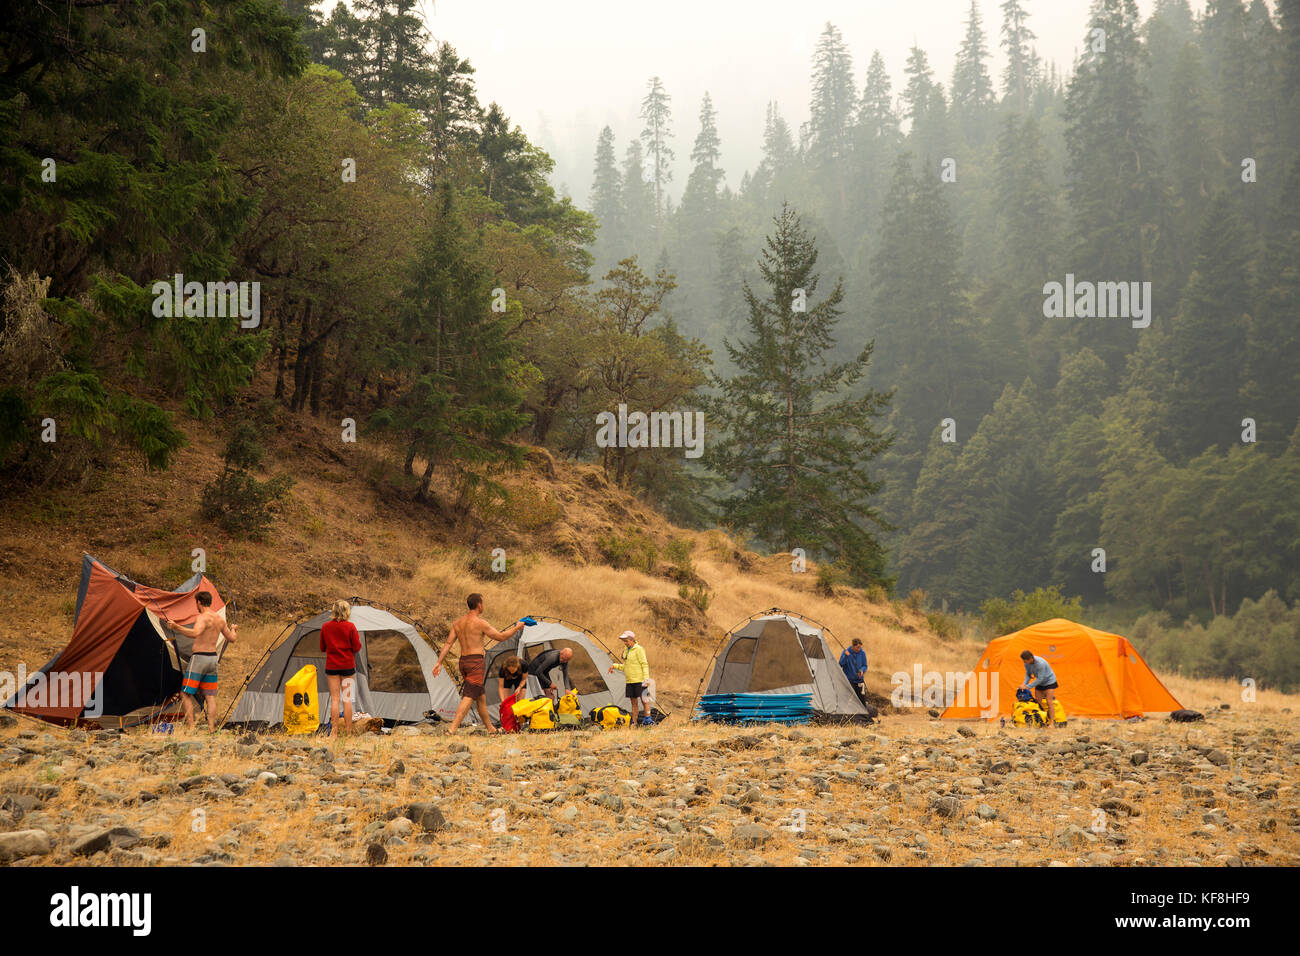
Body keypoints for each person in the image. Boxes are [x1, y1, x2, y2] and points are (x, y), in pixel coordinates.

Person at [433, 593, 526, 733]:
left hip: (463, 662)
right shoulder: (480, 623)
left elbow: (448, 643)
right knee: (469, 696)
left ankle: (491, 729)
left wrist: (439, 662)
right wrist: (517, 627)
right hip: (476, 662)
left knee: (480, 697)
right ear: (479, 605)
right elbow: (501, 637)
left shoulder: (457, 623)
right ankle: (452, 729)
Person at [162, 591, 237, 732]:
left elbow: (195, 633)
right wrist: (233, 629)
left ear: (199, 603)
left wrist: (176, 626)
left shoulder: (202, 618)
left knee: (185, 693)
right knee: (210, 696)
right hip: (212, 659)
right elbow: (232, 638)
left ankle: (191, 727)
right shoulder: (219, 619)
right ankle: (211, 728)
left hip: (199, 659)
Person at [320, 599, 361, 740]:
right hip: (348, 666)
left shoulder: (325, 627)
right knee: (347, 700)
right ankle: (349, 733)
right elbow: (356, 647)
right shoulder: (350, 627)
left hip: (332, 666)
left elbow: (322, 647)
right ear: (347, 611)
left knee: (335, 700)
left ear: (334, 610)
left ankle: (334, 732)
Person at [608, 630, 652, 726]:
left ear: (632, 640)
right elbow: (625, 666)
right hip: (630, 681)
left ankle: (648, 720)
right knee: (634, 703)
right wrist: (614, 666)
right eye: (623, 640)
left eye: (626, 640)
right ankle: (634, 723)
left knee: (645, 701)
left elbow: (644, 664)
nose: (625, 642)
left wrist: (646, 678)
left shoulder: (639, 649)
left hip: (640, 680)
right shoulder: (626, 650)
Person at [1019, 649, 1062, 727]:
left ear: (1031, 658)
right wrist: (1024, 684)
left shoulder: (1040, 663)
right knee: (1038, 702)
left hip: (1049, 682)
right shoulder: (1026, 663)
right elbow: (1028, 674)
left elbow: (1040, 678)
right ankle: (1041, 720)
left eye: (1025, 661)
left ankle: (1052, 723)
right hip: (1040, 683)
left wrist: (1027, 687)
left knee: (1049, 702)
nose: (1024, 662)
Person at [839, 638, 869, 706]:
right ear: (853, 646)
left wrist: (862, 670)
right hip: (849, 681)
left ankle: (863, 715)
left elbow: (865, 665)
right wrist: (846, 656)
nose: (859, 649)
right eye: (857, 647)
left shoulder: (862, 653)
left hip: (859, 681)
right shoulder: (846, 652)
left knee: (862, 700)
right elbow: (841, 664)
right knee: (849, 700)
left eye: (860, 647)